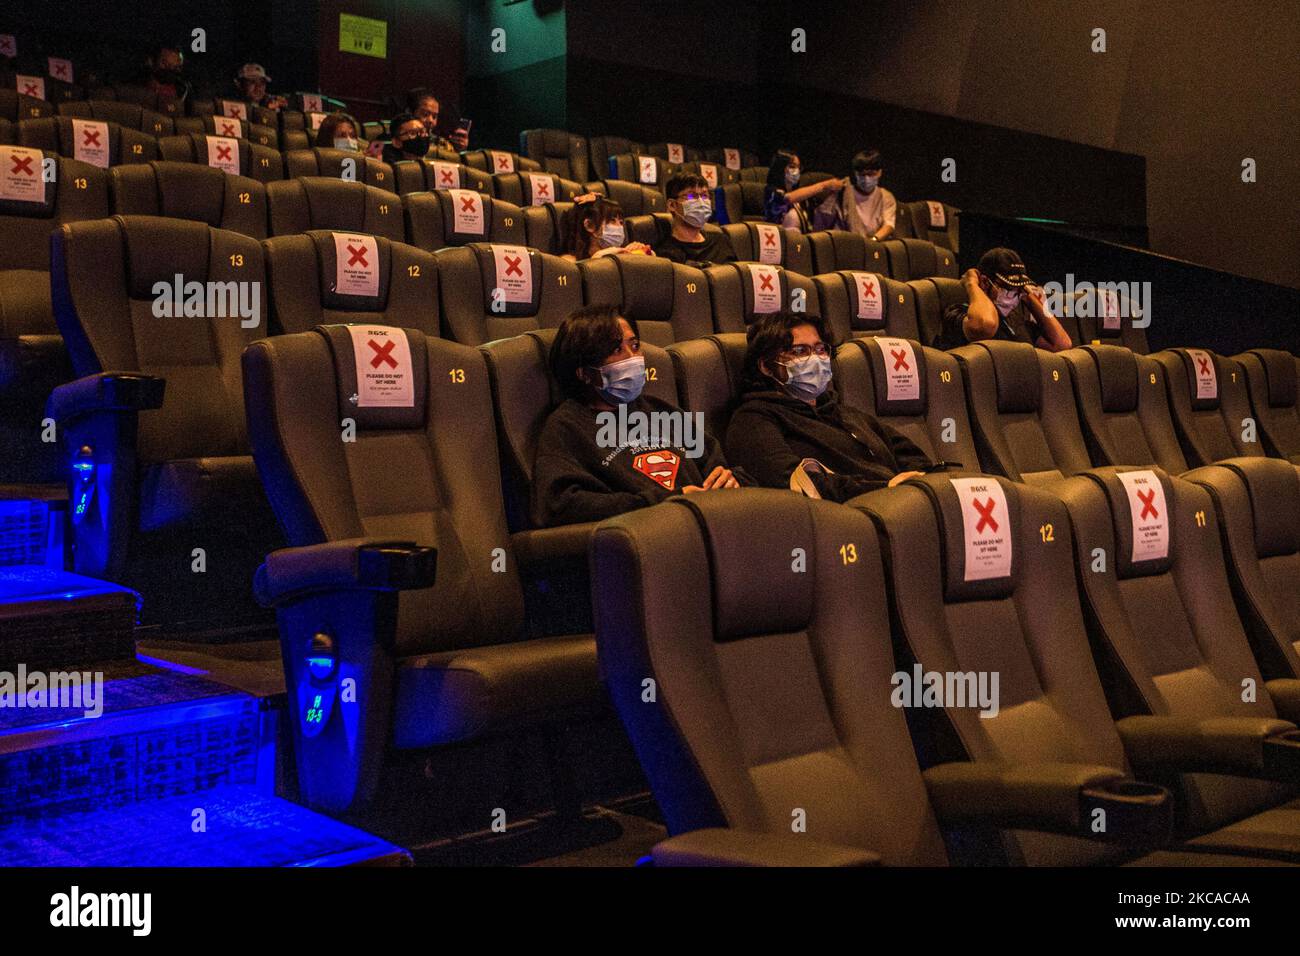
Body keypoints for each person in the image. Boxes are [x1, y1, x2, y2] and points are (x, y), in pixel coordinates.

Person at [532, 305, 743, 527]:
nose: (634, 358)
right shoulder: (566, 427)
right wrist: (666, 503)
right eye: (616, 350)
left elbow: (724, 467)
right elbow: (558, 506)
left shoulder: (662, 411)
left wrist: (729, 480)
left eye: (634, 346)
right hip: (649, 537)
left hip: (713, 524)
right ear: (584, 373)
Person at [725, 311, 937, 502]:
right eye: (799, 351)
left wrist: (924, 484)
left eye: (820, 349)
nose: (814, 359)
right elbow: (795, 483)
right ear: (766, 367)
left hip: (902, 506)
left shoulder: (846, 414)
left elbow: (913, 457)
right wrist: (886, 489)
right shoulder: (754, 419)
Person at [933, 247, 1073, 352]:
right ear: (985, 282)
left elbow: (1062, 344)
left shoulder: (1016, 321)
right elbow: (985, 324)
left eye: (1020, 289)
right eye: (1008, 288)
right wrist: (972, 284)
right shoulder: (959, 313)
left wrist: (1030, 298)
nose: (1015, 295)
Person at [652, 173, 735, 267]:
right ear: (672, 205)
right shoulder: (666, 255)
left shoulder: (721, 241)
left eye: (704, 196)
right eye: (692, 196)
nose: (701, 202)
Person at [812, 148, 896, 240]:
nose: (866, 179)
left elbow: (888, 226)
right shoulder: (843, 192)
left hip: (874, 245)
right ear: (855, 173)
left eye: (871, 174)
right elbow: (822, 221)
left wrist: (873, 241)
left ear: (880, 172)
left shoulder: (886, 197)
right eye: (862, 175)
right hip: (844, 244)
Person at [763, 149, 842, 231]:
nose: (796, 171)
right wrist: (824, 185)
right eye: (792, 166)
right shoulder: (771, 190)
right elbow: (789, 198)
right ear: (780, 168)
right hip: (777, 236)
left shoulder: (802, 194)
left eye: (798, 167)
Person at [562, 194, 655, 261]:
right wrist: (598, 258)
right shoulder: (569, 262)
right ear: (589, 225)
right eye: (612, 221)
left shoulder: (621, 255)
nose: (619, 228)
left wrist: (645, 256)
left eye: (621, 222)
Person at [405, 88, 470, 152]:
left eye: (434, 117)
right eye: (425, 114)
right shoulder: (400, 141)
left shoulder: (441, 144)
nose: (431, 121)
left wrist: (460, 150)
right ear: (409, 112)